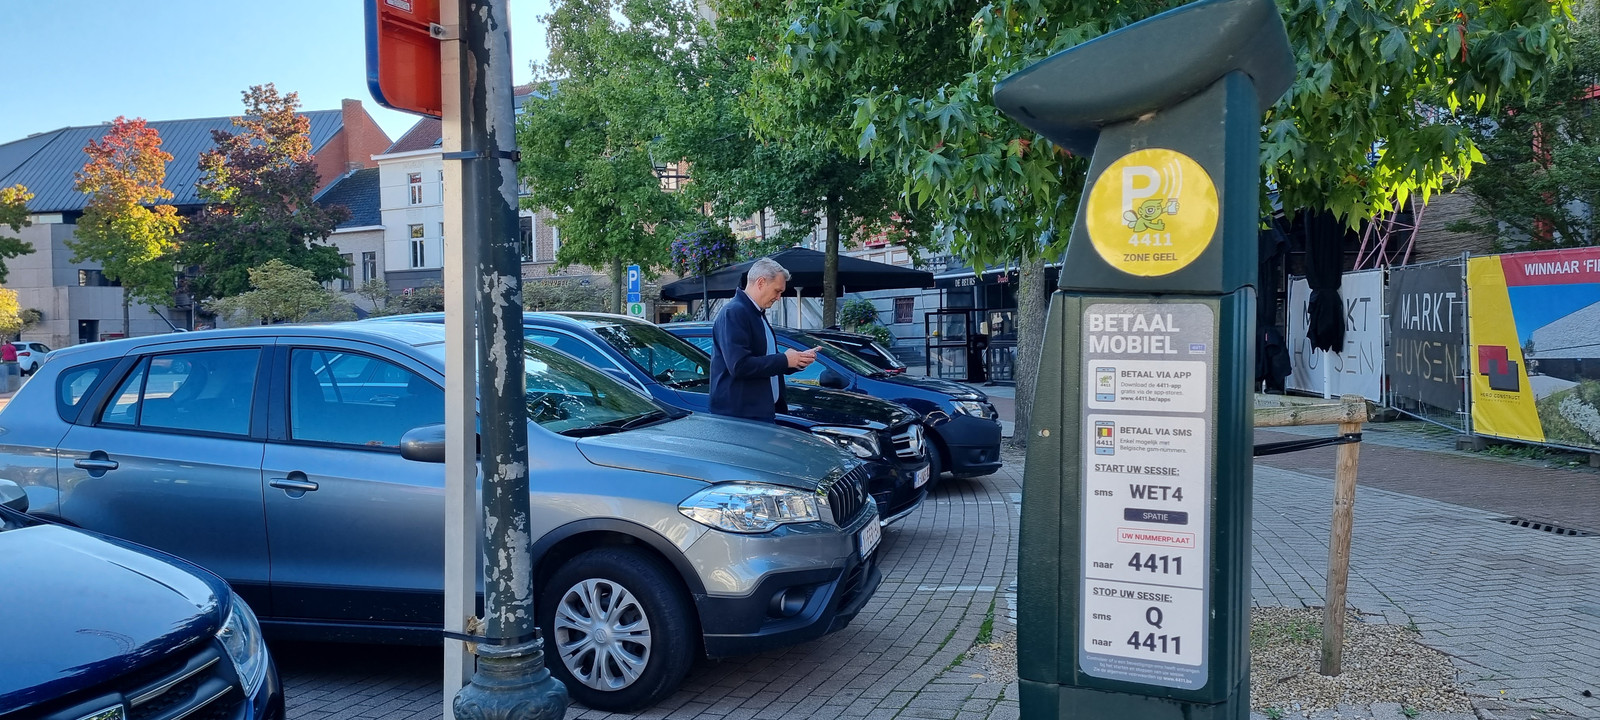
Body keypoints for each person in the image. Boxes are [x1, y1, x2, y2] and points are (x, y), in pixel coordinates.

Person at [709, 258, 816, 422]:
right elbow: (739, 366)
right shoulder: (735, 312)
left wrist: (796, 361)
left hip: (755, 413)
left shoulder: (754, 312)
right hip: (741, 417)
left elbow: (764, 359)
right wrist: (785, 360)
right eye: (777, 291)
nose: (779, 297)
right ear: (760, 283)